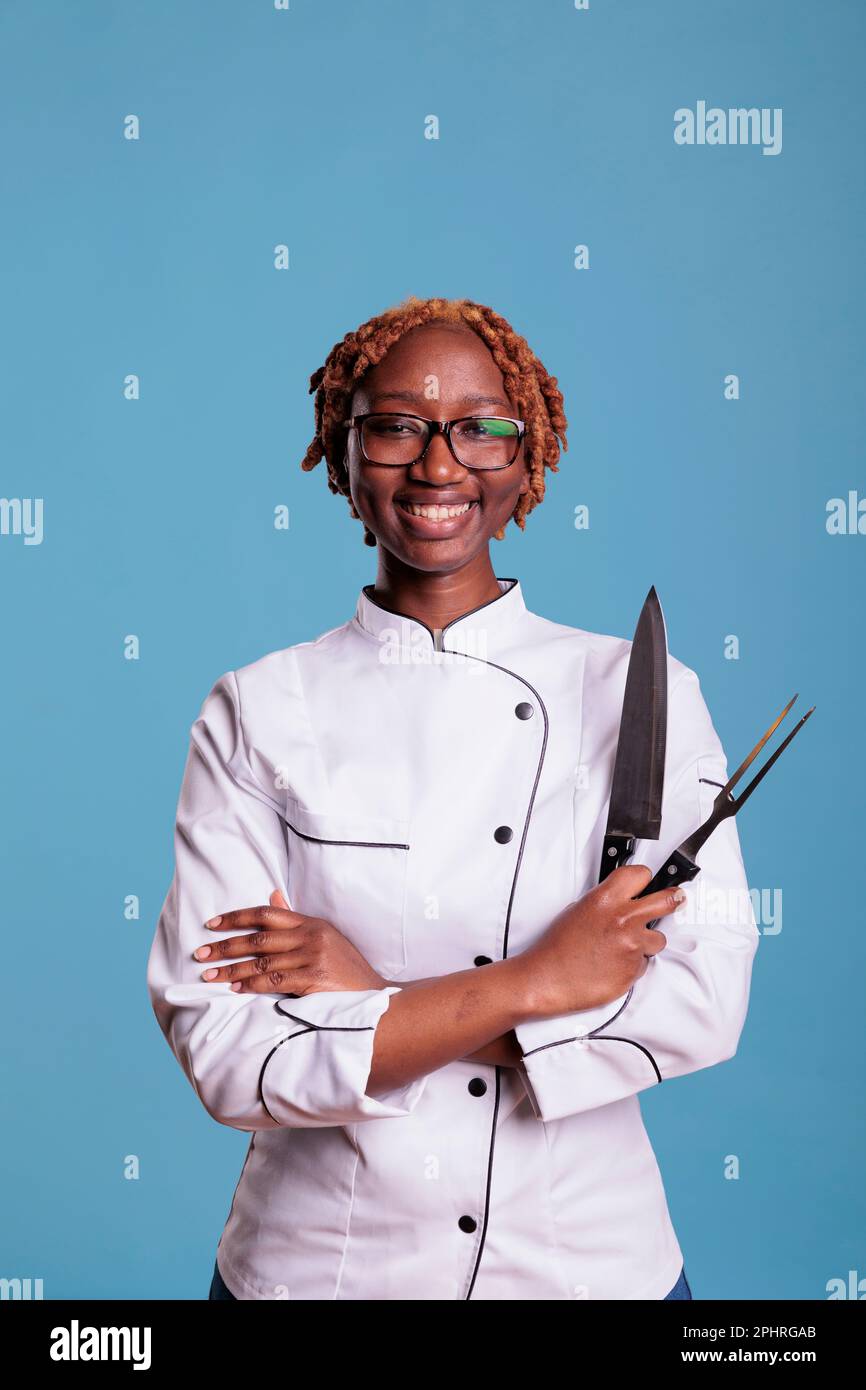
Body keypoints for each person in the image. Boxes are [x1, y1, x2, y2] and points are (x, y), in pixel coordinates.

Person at [147, 295, 758, 1301]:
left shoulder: (639, 695)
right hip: (323, 1270)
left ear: (528, 457)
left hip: (586, 1269)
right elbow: (225, 1052)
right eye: (394, 426)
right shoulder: (257, 709)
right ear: (340, 459)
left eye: (482, 427)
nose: (438, 465)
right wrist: (542, 981)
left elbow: (696, 1000)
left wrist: (365, 1002)